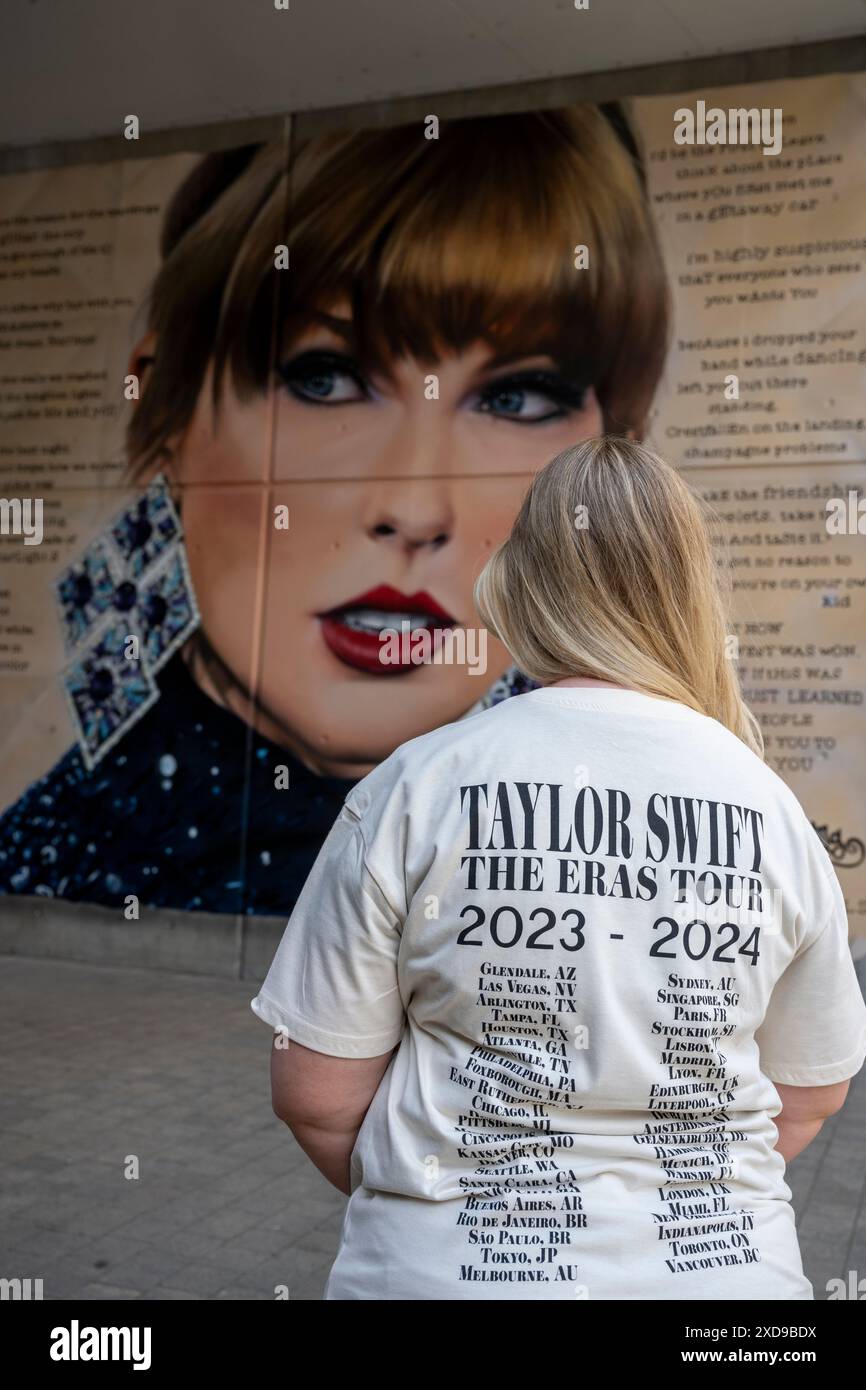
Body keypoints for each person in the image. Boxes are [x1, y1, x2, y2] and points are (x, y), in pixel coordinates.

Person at [0, 106, 669, 917]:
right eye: (325, 377)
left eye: (517, 396)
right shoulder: (46, 864)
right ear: (167, 404)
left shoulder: (621, 838)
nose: (414, 509)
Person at [251, 436, 866, 1301]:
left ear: (520, 585)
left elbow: (315, 1092)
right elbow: (812, 1092)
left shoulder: (416, 786)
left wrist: (429, 1200)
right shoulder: (772, 811)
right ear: (689, 595)